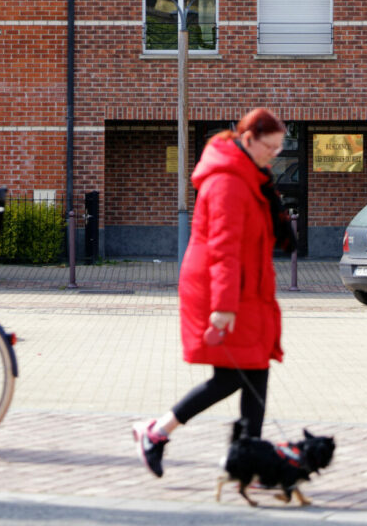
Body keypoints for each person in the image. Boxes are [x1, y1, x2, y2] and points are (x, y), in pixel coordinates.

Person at [133, 108, 296, 477]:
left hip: (245, 289)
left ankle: (246, 463)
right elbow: (223, 247)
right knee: (232, 377)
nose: (275, 153)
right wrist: (222, 308)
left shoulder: (252, 178)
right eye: (270, 146)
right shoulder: (227, 181)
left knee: (256, 374)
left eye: (279, 147)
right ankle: (155, 433)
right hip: (220, 290)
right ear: (249, 139)